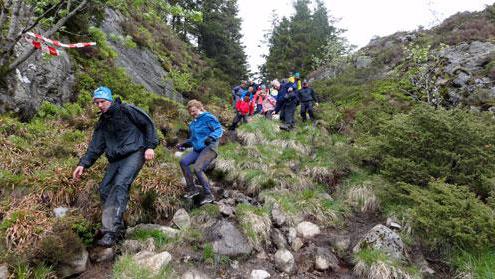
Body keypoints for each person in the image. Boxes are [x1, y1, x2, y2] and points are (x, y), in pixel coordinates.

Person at [72, 86, 158, 247]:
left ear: (110, 100)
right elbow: (95, 146)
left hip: (135, 151)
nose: (99, 105)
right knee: (104, 189)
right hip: (116, 158)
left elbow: (148, 124)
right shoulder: (103, 122)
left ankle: (111, 232)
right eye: (96, 103)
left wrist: (150, 146)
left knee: (120, 184)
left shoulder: (127, 110)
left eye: (102, 102)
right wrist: (83, 164)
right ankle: (118, 225)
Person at [177, 100, 223, 205]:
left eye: (194, 111)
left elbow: (219, 129)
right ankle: (192, 189)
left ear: (199, 108)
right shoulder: (192, 124)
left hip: (210, 148)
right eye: (190, 112)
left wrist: (211, 137)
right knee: (183, 162)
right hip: (198, 149)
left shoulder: (208, 117)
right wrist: (183, 144)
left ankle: (209, 194)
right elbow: (193, 140)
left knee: (198, 168)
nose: (192, 114)